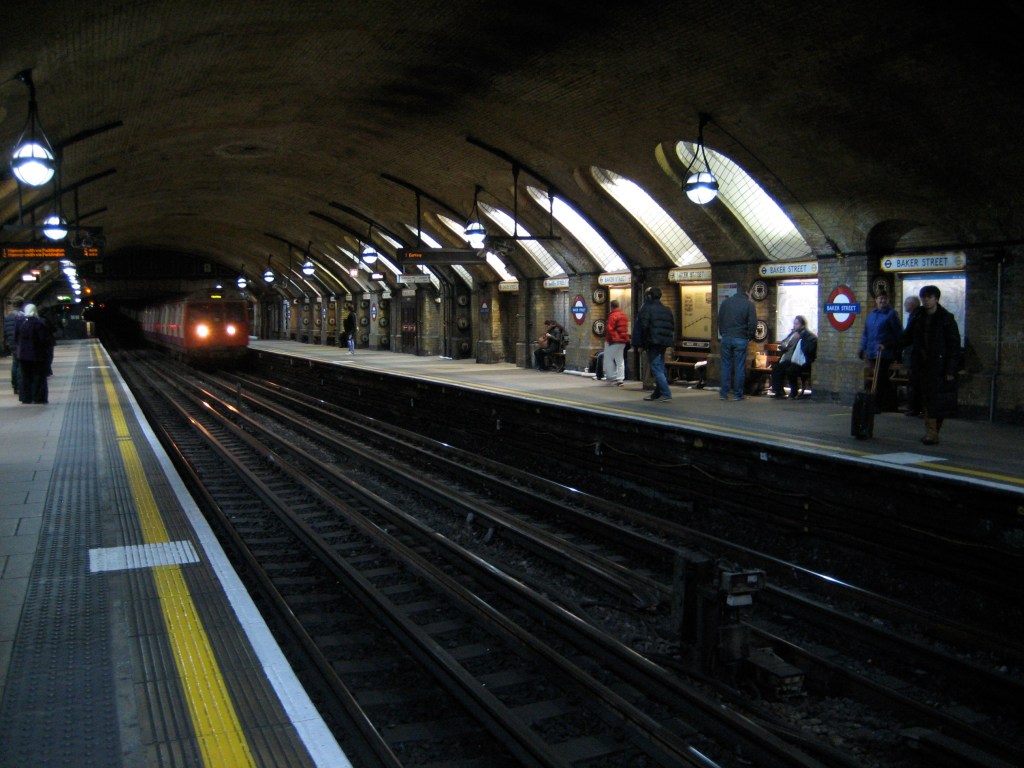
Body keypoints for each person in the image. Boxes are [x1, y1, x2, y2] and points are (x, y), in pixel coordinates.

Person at [896, 285, 961, 445]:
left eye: (929, 297)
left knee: (934, 400)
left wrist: (950, 369)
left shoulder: (946, 318)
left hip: (938, 366)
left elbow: (954, 346)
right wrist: (889, 345)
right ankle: (931, 432)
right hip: (920, 364)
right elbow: (907, 336)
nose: (926, 300)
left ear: (936, 299)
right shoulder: (918, 316)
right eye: (924, 297)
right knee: (925, 398)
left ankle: (932, 433)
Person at [858, 292, 903, 412]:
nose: (882, 301)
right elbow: (866, 334)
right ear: (876, 300)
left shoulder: (891, 315)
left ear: (888, 300)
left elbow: (898, 334)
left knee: (880, 378)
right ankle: (889, 404)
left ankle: (879, 404)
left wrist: (887, 345)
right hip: (872, 352)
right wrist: (862, 348)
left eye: (884, 299)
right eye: (880, 299)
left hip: (885, 353)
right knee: (881, 379)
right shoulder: (871, 315)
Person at [633, 286, 675, 402]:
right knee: (660, 366)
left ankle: (666, 393)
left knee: (656, 367)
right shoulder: (667, 309)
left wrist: (642, 343)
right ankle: (657, 393)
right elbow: (672, 326)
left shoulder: (647, 309)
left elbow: (644, 327)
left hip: (653, 342)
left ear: (649, 296)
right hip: (664, 342)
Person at [717, 286, 757, 401]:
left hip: (726, 337)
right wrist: (749, 336)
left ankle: (723, 394)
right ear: (747, 292)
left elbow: (720, 319)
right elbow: (753, 323)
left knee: (725, 366)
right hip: (741, 338)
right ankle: (737, 394)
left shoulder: (726, 303)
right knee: (739, 367)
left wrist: (723, 332)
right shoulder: (749, 305)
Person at [14, 303, 54, 405]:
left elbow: (16, 338)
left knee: (25, 377)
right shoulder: (39, 323)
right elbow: (44, 340)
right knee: (38, 377)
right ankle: (38, 398)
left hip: (22, 355)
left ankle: (26, 398)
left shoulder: (19, 322)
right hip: (36, 355)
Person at [770, 315, 817, 399]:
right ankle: (778, 391)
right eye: (794, 323)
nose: (794, 326)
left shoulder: (808, 336)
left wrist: (801, 339)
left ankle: (794, 391)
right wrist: (784, 346)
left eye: (797, 324)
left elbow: (809, 351)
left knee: (791, 370)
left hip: (801, 361)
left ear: (802, 325)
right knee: (777, 368)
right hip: (791, 360)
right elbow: (787, 344)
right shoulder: (793, 334)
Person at [902, 295, 922, 416]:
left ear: (912, 305)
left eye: (906, 303)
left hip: (916, 357)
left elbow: (908, 336)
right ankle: (914, 407)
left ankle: (916, 408)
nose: (904, 306)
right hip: (913, 356)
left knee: (915, 384)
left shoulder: (916, 317)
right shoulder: (914, 316)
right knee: (913, 383)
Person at [602, 299, 630, 386]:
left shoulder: (613, 316)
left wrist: (610, 340)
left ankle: (611, 378)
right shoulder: (624, 315)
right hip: (622, 341)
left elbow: (610, 329)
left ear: (611, 307)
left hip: (613, 341)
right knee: (620, 360)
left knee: (608, 359)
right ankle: (620, 379)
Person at [4, 299, 26, 396]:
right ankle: (19, 385)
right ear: (22, 305)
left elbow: (5, 330)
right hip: (19, 342)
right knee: (20, 364)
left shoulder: (8, 316)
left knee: (15, 363)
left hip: (11, 342)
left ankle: (14, 385)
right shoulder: (21, 316)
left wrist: (7, 341)